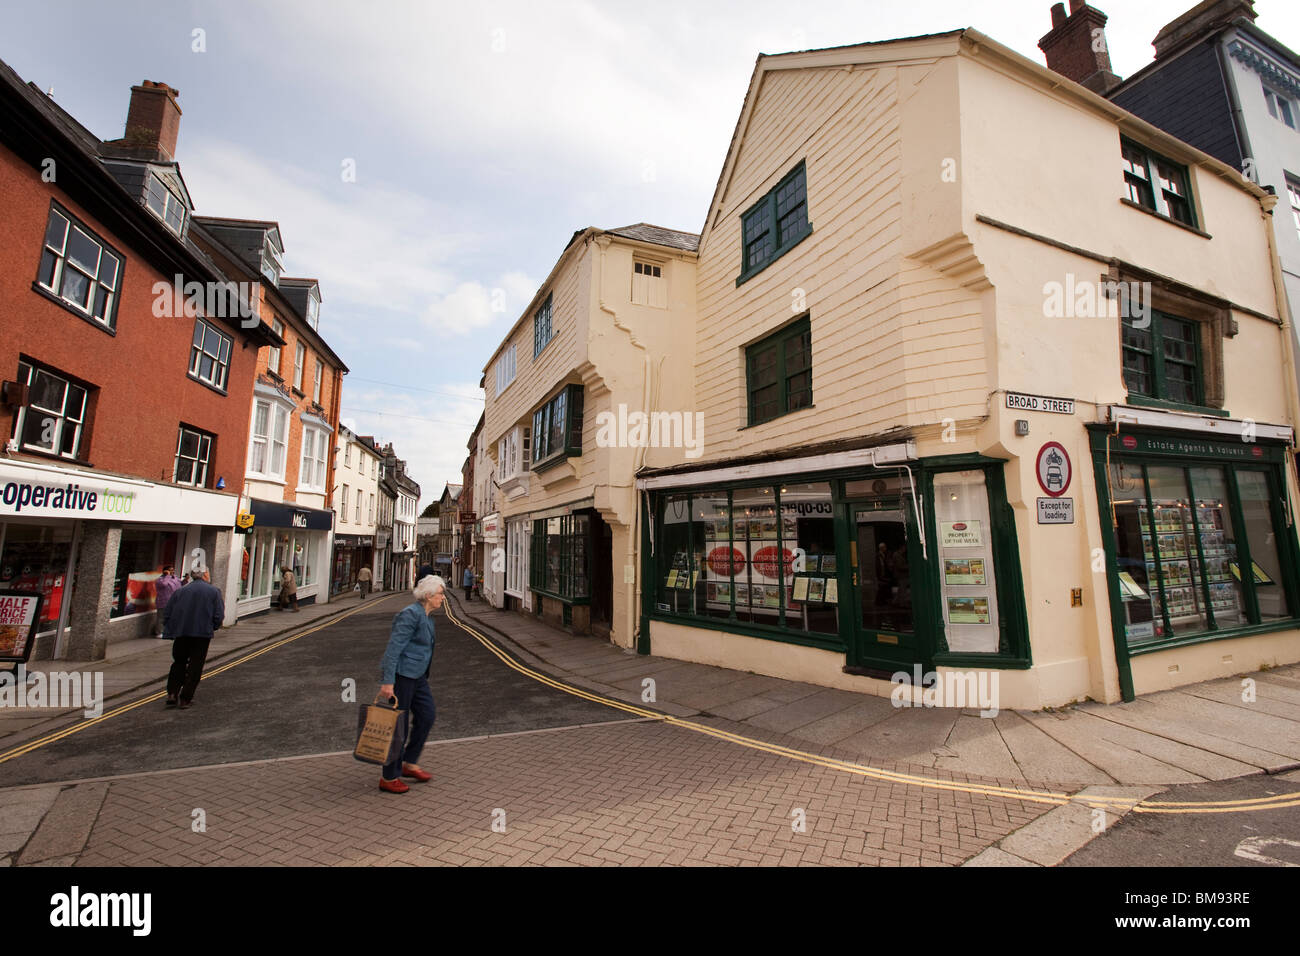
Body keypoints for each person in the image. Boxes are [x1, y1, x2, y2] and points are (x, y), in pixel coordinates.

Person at [376, 574, 445, 793]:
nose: (443, 598)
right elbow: (393, 649)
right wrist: (388, 682)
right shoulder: (410, 615)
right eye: (441, 594)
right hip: (403, 677)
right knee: (398, 726)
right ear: (428, 595)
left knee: (427, 715)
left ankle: (409, 762)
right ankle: (388, 777)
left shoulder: (427, 617)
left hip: (418, 677)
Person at [162, 567, 225, 709]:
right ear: (205, 575)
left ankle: (172, 693)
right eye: (208, 573)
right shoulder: (214, 592)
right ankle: (185, 699)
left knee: (178, 662)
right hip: (201, 634)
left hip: (181, 633)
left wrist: (171, 628)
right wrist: (213, 627)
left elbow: (168, 613)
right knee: (195, 666)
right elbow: (219, 615)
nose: (209, 575)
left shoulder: (180, 591)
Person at [152, 565, 181, 637]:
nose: (172, 572)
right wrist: (167, 576)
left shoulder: (176, 578)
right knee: (161, 617)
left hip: (174, 602)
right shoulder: (160, 579)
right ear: (165, 571)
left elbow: (180, 586)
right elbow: (164, 584)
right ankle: (159, 632)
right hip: (163, 602)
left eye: (173, 570)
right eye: (170, 570)